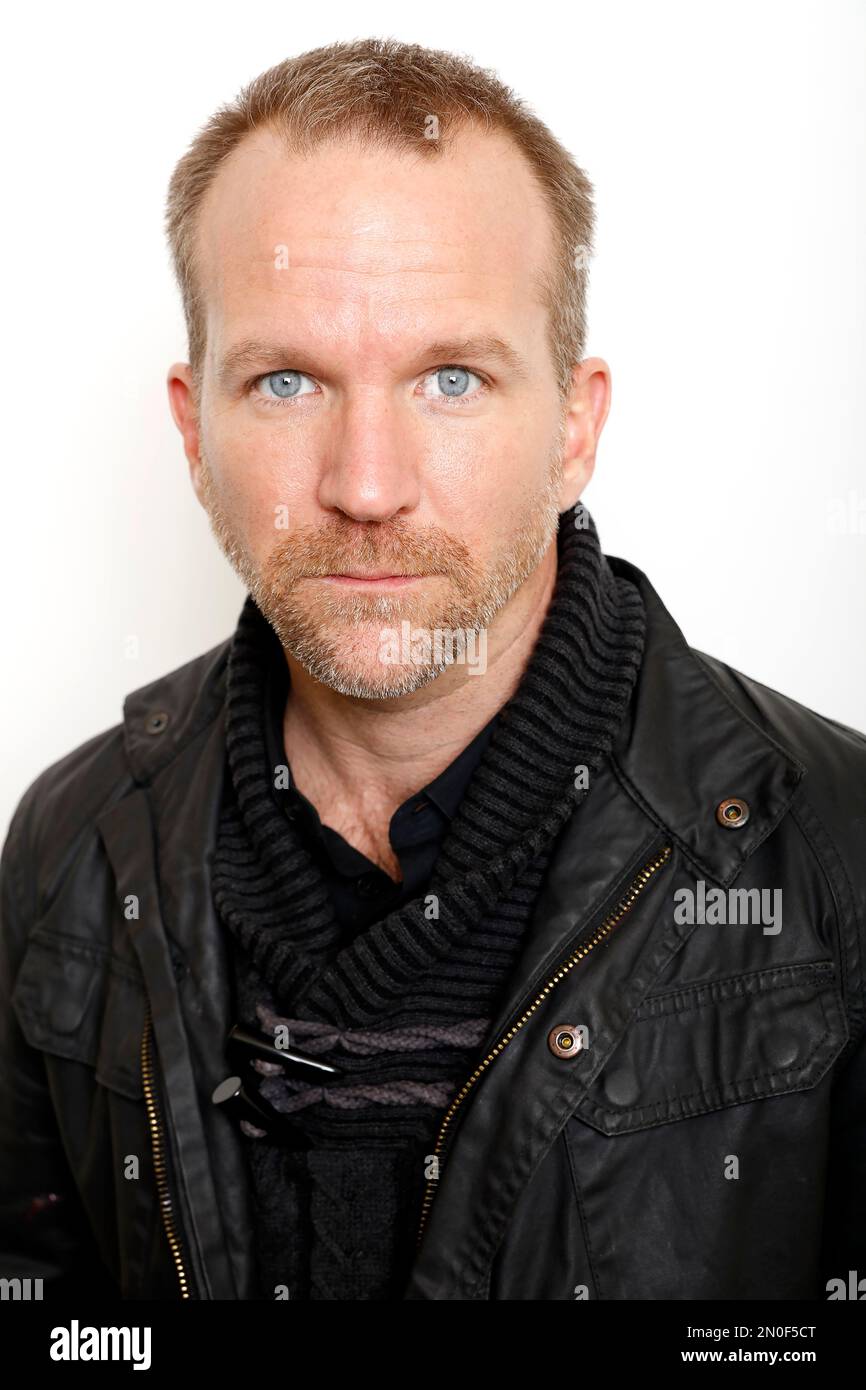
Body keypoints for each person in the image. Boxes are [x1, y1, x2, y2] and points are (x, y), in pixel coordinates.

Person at [1, 37, 864, 1303]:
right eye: (286, 380)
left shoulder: (836, 853)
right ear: (194, 429)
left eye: (450, 379)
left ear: (574, 426)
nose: (363, 485)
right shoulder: (70, 846)